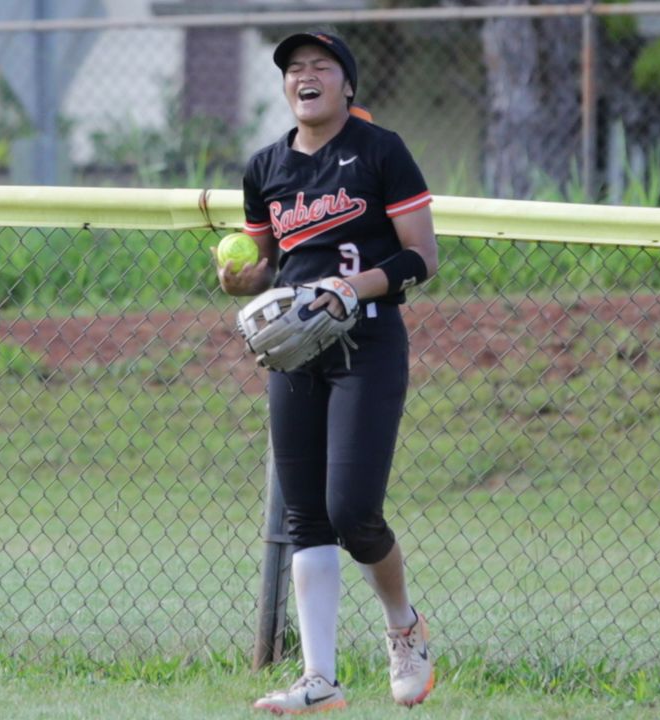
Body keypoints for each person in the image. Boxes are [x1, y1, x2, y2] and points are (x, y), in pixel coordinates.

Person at [215, 29, 440, 714]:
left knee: (353, 513)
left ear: (347, 85)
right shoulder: (266, 167)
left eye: (321, 66)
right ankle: (320, 680)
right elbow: (261, 263)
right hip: (293, 355)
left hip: (367, 346)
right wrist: (241, 277)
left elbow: (423, 258)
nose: (304, 76)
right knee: (305, 514)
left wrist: (354, 286)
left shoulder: (381, 151)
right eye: (293, 68)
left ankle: (403, 627)